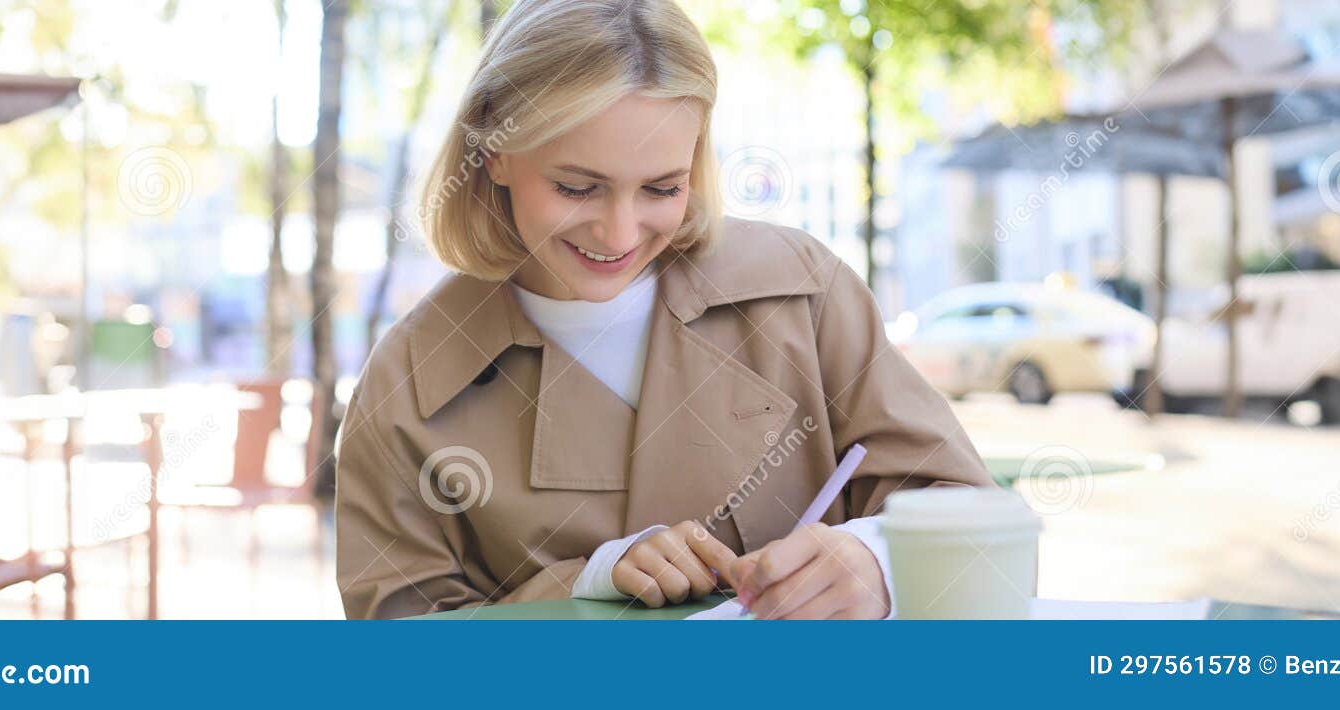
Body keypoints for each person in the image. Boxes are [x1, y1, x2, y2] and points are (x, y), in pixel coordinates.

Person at [334, 0, 991, 620]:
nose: (620, 235)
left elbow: (973, 517)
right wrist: (590, 582)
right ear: (495, 152)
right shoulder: (409, 384)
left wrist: (877, 563)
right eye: (576, 187)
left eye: (661, 188)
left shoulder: (804, 295)